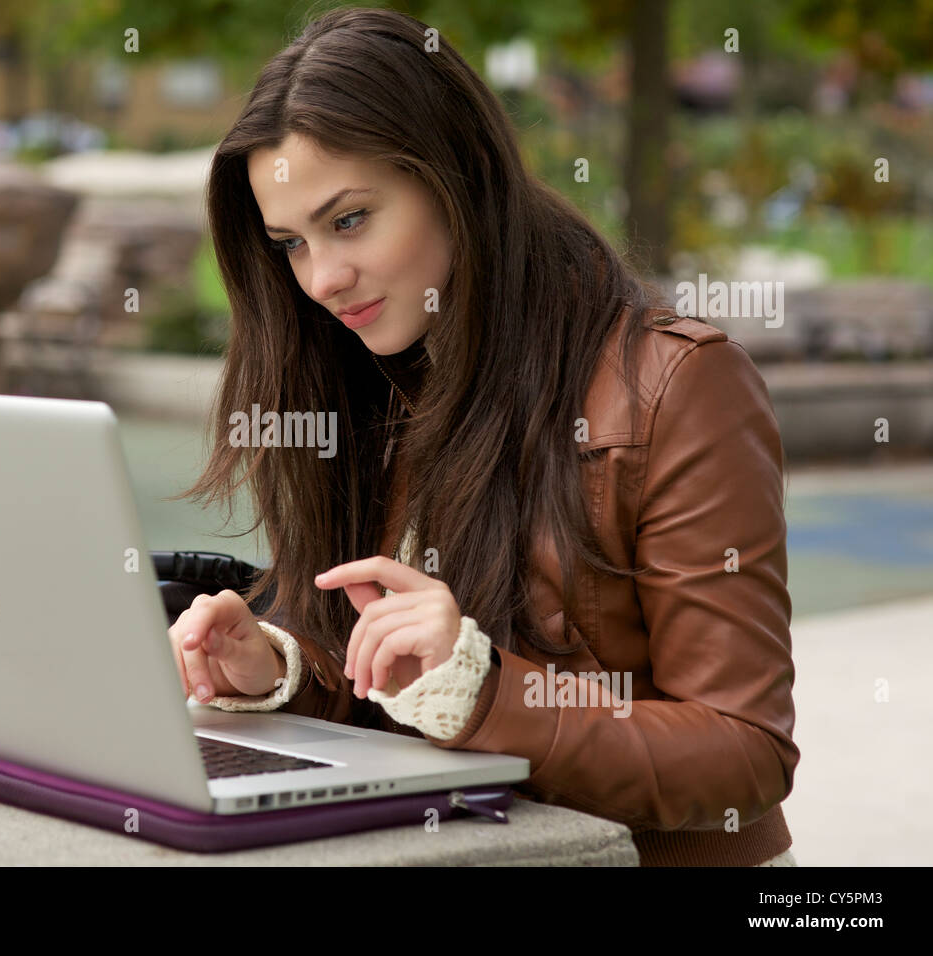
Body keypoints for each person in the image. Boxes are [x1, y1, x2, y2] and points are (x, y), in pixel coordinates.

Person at [166, 7, 798, 867]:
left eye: (349, 219)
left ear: (456, 177)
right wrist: (278, 671)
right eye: (290, 243)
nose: (321, 279)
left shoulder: (676, 386)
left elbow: (745, 754)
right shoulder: (356, 372)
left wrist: (486, 691)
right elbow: (399, 692)